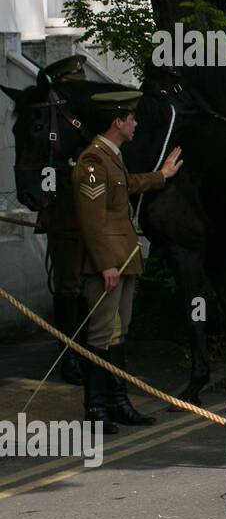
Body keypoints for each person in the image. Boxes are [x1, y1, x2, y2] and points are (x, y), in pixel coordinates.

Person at [71, 90, 183, 432]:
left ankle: (118, 402)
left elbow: (126, 185)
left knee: (118, 333)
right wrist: (106, 263)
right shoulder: (92, 162)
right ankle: (95, 408)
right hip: (108, 264)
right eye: (131, 118)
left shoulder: (110, 157)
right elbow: (91, 220)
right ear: (117, 121)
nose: (136, 123)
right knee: (102, 334)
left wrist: (161, 175)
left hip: (124, 259)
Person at [37, 55, 90, 385]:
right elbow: (41, 170)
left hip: (94, 217)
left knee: (91, 288)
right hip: (66, 217)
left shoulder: (85, 121)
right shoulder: (50, 123)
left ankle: (87, 352)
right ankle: (68, 355)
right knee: (69, 287)